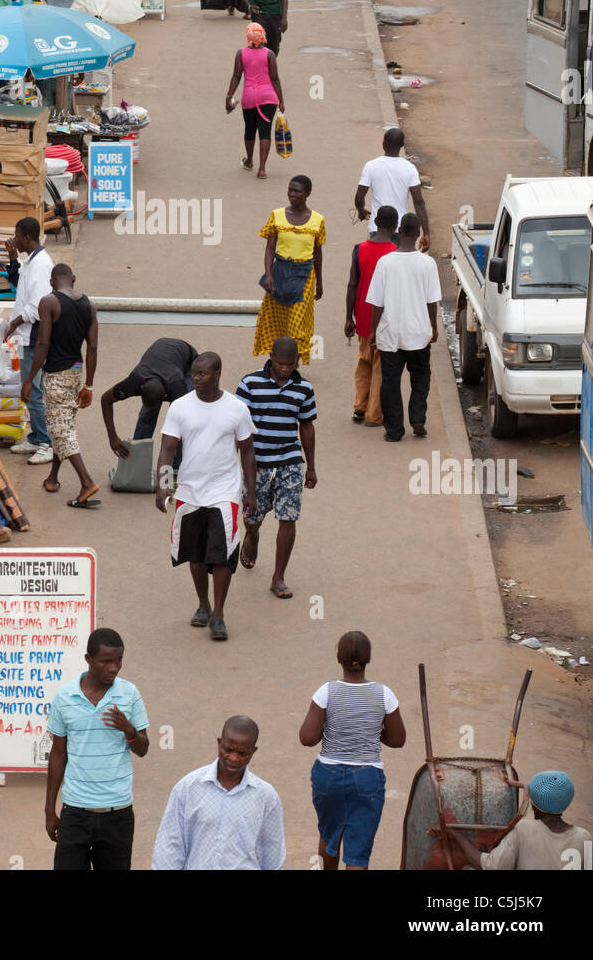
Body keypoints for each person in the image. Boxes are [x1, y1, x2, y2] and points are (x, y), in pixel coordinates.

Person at [156, 352, 256, 642]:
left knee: (223, 552)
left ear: (217, 374)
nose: (196, 378)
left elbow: (247, 450)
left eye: (202, 374)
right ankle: (203, 604)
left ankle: (219, 615)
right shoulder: (180, 407)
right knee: (195, 552)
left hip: (224, 490)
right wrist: (163, 484)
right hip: (189, 489)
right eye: (194, 373)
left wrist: (250, 490)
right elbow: (167, 448)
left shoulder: (237, 408)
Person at [299, 630, 406, 870]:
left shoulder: (326, 691)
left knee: (329, 836)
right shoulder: (384, 694)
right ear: (368, 660)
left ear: (339, 659)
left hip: (328, 776)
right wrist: (370, 729)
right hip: (367, 778)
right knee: (358, 850)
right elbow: (398, 740)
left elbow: (307, 738)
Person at [45, 627, 149, 871]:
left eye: (119, 659)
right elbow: (58, 754)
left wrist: (129, 730)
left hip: (118, 814)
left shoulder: (129, 694)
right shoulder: (65, 698)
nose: (114, 667)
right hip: (75, 812)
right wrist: (50, 809)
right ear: (88, 659)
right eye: (106, 661)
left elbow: (143, 749)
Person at [236, 337, 317, 598]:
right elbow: (238, 426)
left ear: (297, 361)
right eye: (280, 364)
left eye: (290, 365)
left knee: (288, 519)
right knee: (252, 517)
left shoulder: (304, 388)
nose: (284, 369)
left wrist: (311, 467)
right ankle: (253, 536)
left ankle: (278, 577)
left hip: (289, 462)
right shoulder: (249, 384)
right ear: (270, 357)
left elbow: (306, 426)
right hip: (256, 463)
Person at [152, 716, 285, 870]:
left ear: (253, 751)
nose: (234, 758)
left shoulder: (266, 796)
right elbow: (170, 844)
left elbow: (272, 851)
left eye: (242, 754)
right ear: (219, 743)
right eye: (228, 750)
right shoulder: (188, 788)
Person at [22, 263, 100, 506]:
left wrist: (28, 380)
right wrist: (88, 385)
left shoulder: (49, 302)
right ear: (73, 279)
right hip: (76, 373)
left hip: (56, 375)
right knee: (61, 424)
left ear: (52, 282)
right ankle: (53, 478)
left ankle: (87, 483)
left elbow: (43, 344)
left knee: (62, 429)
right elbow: (93, 347)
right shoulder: (89, 305)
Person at [367, 212, 442, 442]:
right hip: (418, 333)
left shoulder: (385, 263)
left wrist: (372, 330)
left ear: (400, 231)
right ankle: (417, 416)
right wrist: (433, 326)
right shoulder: (428, 263)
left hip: (390, 333)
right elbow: (432, 301)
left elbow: (377, 303)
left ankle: (394, 431)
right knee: (420, 375)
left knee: (390, 381)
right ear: (418, 234)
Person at [455, 770, 591, 871]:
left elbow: (491, 866)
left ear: (533, 804)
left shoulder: (524, 830)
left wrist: (456, 834)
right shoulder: (585, 836)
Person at [254, 174, 325, 364]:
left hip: (304, 275)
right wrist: (268, 274)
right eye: (290, 190)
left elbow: (317, 254)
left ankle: (292, 363)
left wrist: (319, 281)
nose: (291, 194)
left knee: (297, 322)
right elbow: (270, 248)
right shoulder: (277, 216)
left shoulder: (318, 220)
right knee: (276, 320)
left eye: (297, 191)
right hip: (280, 272)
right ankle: (276, 360)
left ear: (308, 193)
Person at [4, 217, 54, 463]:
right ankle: (35, 438)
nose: (14, 239)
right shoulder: (31, 262)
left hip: (34, 337)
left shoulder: (42, 265)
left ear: (25, 236)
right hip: (25, 336)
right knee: (29, 388)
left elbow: (39, 305)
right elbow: (18, 283)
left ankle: (46, 442)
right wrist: (13, 258)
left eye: (16, 235)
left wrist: (13, 324)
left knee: (32, 390)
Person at [345, 205, 398, 427]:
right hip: (386, 319)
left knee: (363, 361)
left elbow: (352, 284)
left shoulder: (359, 249)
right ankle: (374, 414)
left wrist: (349, 317)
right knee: (380, 367)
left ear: (375, 223)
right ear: (396, 226)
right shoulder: (396, 252)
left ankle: (359, 404)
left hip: (364, 317)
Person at [100, 338, 197, 456]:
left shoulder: (177, 387)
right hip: (160, 352)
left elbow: (182, 419)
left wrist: (172, 447)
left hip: (188, 362)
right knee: (146, 416)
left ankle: (176, 469)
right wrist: (112, 437)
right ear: (140, 390)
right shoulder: (133, 382)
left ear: (165, 396)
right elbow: (105, 400)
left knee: (179, 424)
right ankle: (138, 460)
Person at [225, 22, 285, 179]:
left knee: (250, 130)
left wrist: (229, 96)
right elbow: (275, 79)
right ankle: (262, 169)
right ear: (263, 37)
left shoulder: (241, 53)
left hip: (249, 98)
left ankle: (250, 161)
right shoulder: (270, 54)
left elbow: (236, 76)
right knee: (265, 131)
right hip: (268, 98)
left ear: (247, 37)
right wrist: (281, 100)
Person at [355, 127, 430, 249]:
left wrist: (361, 211)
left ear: (384, 144)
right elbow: (419, 202)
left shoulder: (371, 166)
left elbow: (359, 198)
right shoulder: (409, 168)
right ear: (401, 145)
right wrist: (426, 233)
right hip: (400, 230)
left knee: (378, 266)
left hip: (378, 230)